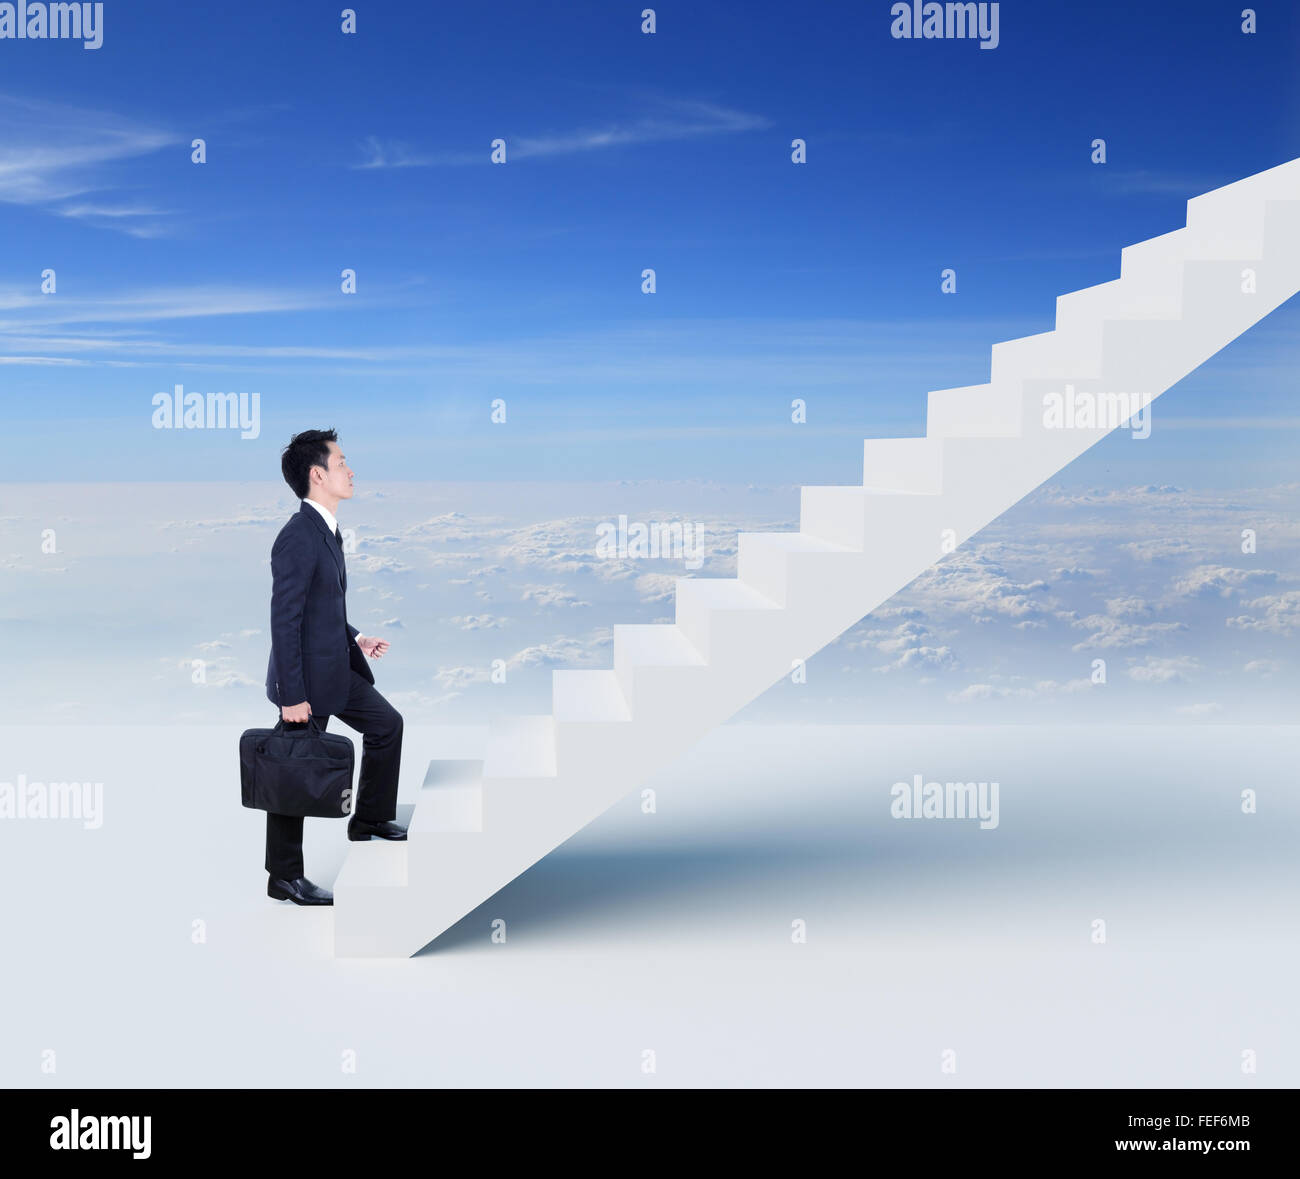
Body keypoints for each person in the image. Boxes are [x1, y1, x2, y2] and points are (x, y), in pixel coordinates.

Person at [262, 428, 407, 906]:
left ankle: (367, 817)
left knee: (387, 726)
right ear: (317, 474)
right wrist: (290, 696)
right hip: (304, 681)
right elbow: (285, 621)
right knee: (293, 770)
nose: (351, 470)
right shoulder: (298, 536)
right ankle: (283, 877)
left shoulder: (326, 530)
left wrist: (356, 637)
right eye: (342, 462)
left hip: (336, 667)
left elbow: (323, 610)